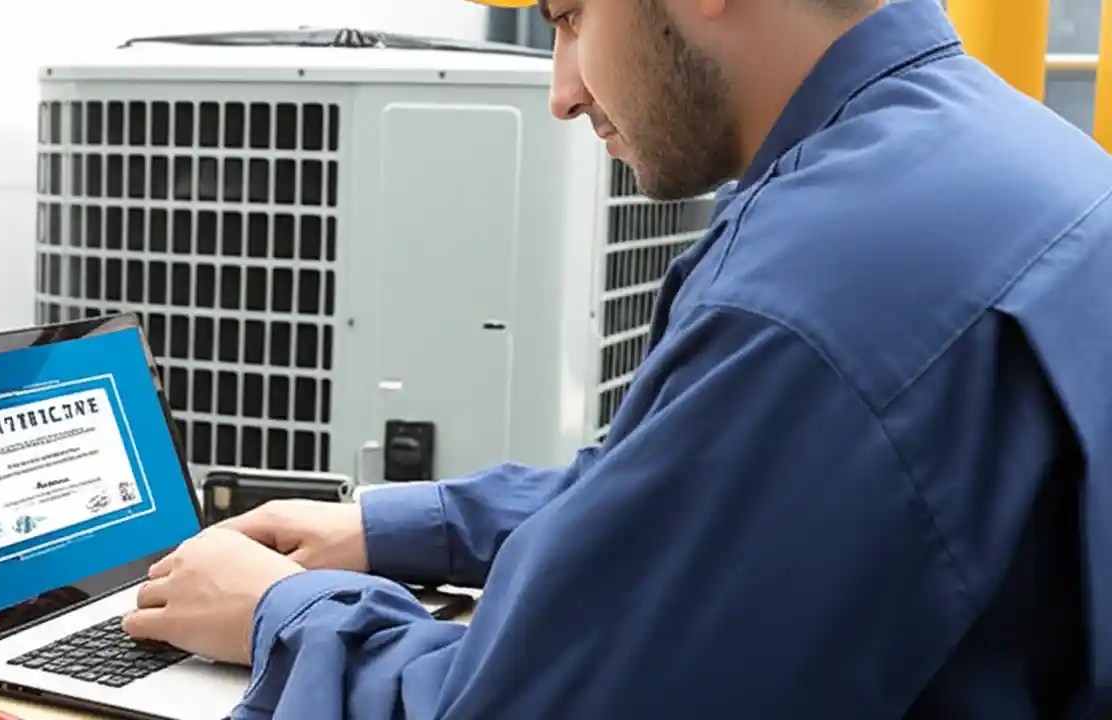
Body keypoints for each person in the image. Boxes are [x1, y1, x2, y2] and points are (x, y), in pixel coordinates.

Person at [123, 0, 1112, 716]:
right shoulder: (1009, 156)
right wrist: (394, 528)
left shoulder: (817, 287)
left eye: (566, 17)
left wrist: (279, 613)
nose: (559, 91)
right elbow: (693, 497)